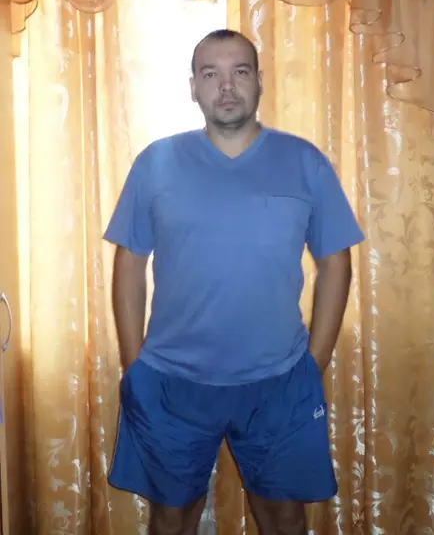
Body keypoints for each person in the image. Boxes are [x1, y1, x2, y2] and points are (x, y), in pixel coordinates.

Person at [104, 29, 365, 535]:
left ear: (260, 82)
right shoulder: (156, 162)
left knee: (284, 518)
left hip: (278, 381)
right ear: (193, 88)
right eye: (211, 74)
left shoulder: (304, 162)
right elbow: (130, 263)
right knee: (171, 519)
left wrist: (314, 364)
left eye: (240, 71)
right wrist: (134, 366)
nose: (226, 86)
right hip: (171, 381)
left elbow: (337, 262)